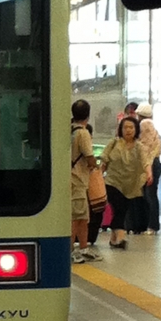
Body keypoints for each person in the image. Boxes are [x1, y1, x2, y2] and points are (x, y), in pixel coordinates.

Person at [101, 115, 152, 250]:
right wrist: (98, 176)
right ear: (120, 129)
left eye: (131, 127)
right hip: (112, 181)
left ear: (136, 129)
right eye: (125, 127)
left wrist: (149, 173)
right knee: (119, 207)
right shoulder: (114, 143)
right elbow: (104, 160)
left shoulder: (139, 147)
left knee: (121, 210)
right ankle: (122, 237)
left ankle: (113, 239)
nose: (128, 130)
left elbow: (145, 161)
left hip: (131, 185)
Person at [70, 99, 102, 264]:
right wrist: (97, 166)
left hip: (76, 180)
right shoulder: (83, 133)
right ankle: (71, 251)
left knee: (83, 216)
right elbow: (89, 157)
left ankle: (84, 247)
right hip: (76, 180)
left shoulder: (70, 130)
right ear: (88, 116)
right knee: (75, 217)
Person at [135, 102, 161, 234]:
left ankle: (152, 226)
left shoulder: (144, 124)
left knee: (149, 195)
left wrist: (147, 169)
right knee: (150, 194)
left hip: (150, 164)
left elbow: (146, 148)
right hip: (154, 163)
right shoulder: (152, 125)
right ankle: (151, 225)